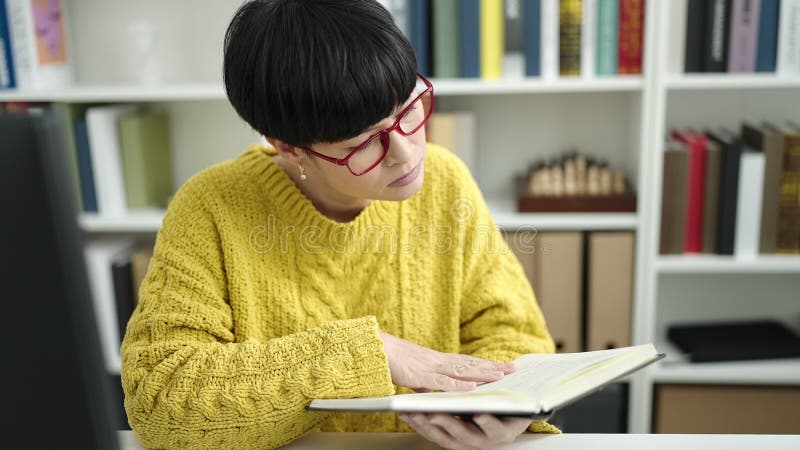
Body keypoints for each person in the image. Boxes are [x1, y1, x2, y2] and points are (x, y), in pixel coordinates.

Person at [120, 1, 558, 449]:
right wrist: (368, 354)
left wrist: (508, 405)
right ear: (289, 147)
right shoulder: (210, 208)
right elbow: (160, 402)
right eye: (364, 143)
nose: (406, 153)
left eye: (408, 109)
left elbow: (515, 336)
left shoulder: (446, 181)